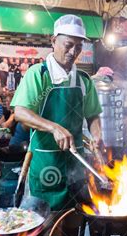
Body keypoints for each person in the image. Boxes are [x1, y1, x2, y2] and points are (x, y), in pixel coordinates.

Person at [11, 14, 103, 211]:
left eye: (79, 46)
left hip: (76, 164)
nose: (73, 51)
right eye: (68, 44)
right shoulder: (39, 74)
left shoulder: (84, 80)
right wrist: (54, 127)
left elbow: (93, 114)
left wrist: (97, 135)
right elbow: (20, 112)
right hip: (45, 164)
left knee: (74, 220)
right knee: (45, 226)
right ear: (53, 41)